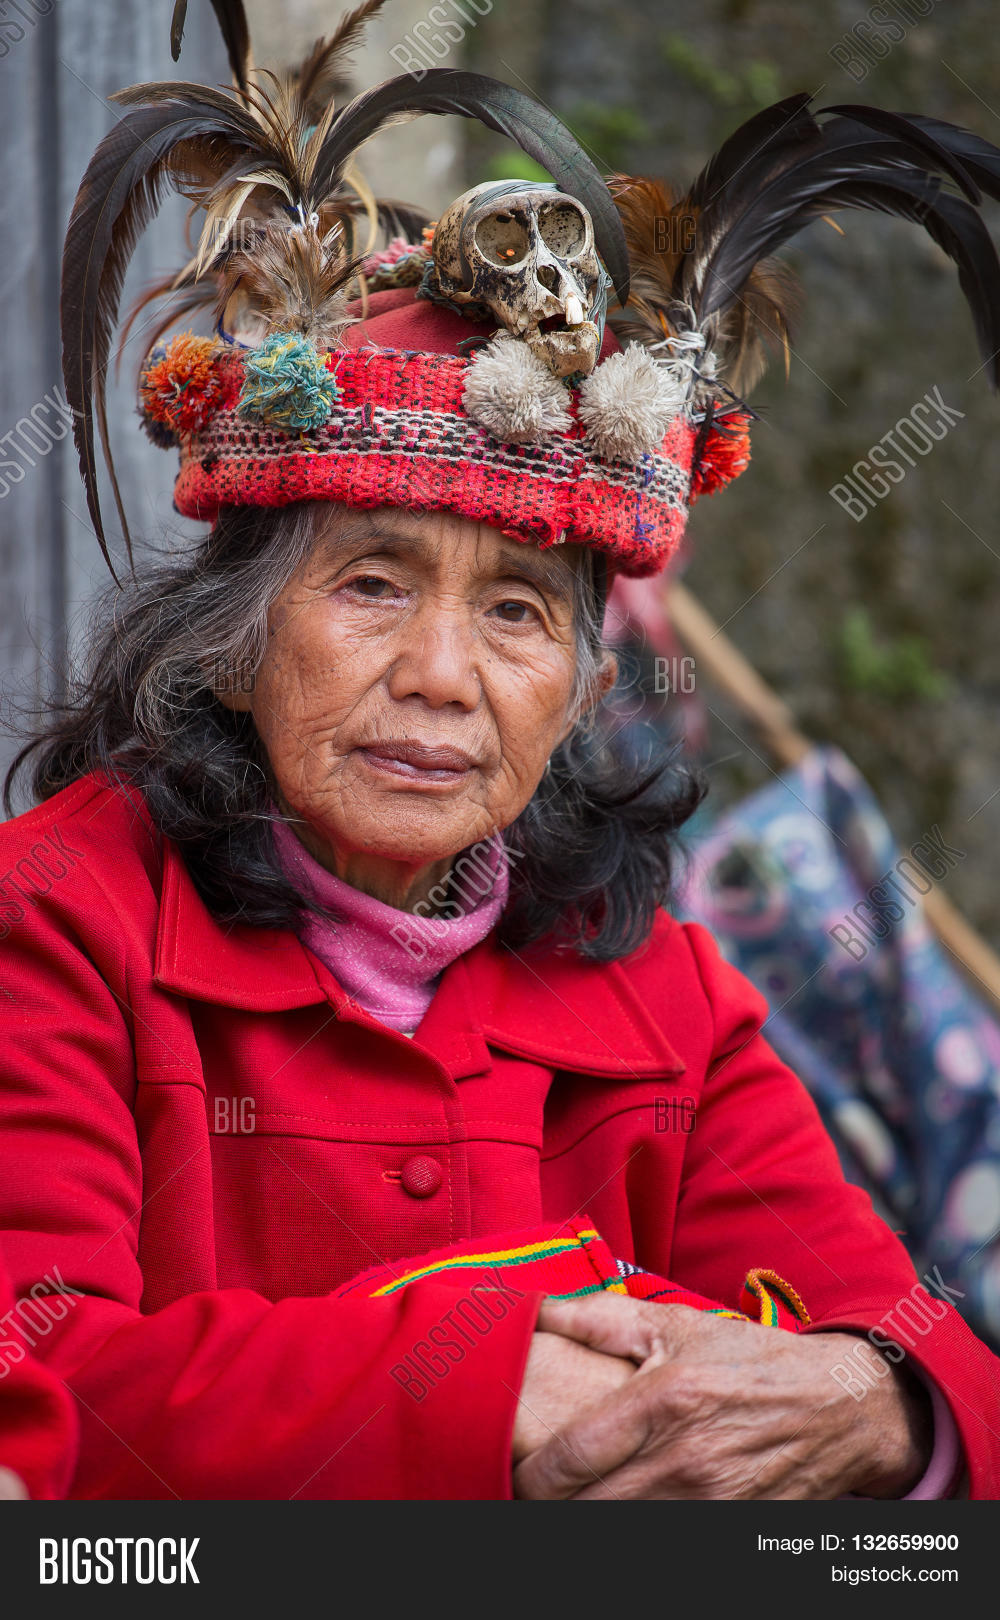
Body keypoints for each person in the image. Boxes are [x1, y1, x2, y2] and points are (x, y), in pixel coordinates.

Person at [2, 2, 999, 1499]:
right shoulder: (56, 922)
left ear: (586, 689)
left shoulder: (660, 997)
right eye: (371, 584)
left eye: (519, 611)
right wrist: (487, 1388)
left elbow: (913, 1345)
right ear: (236, 638)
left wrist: (881, 1405)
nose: (442, 676)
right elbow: (41, 1382)